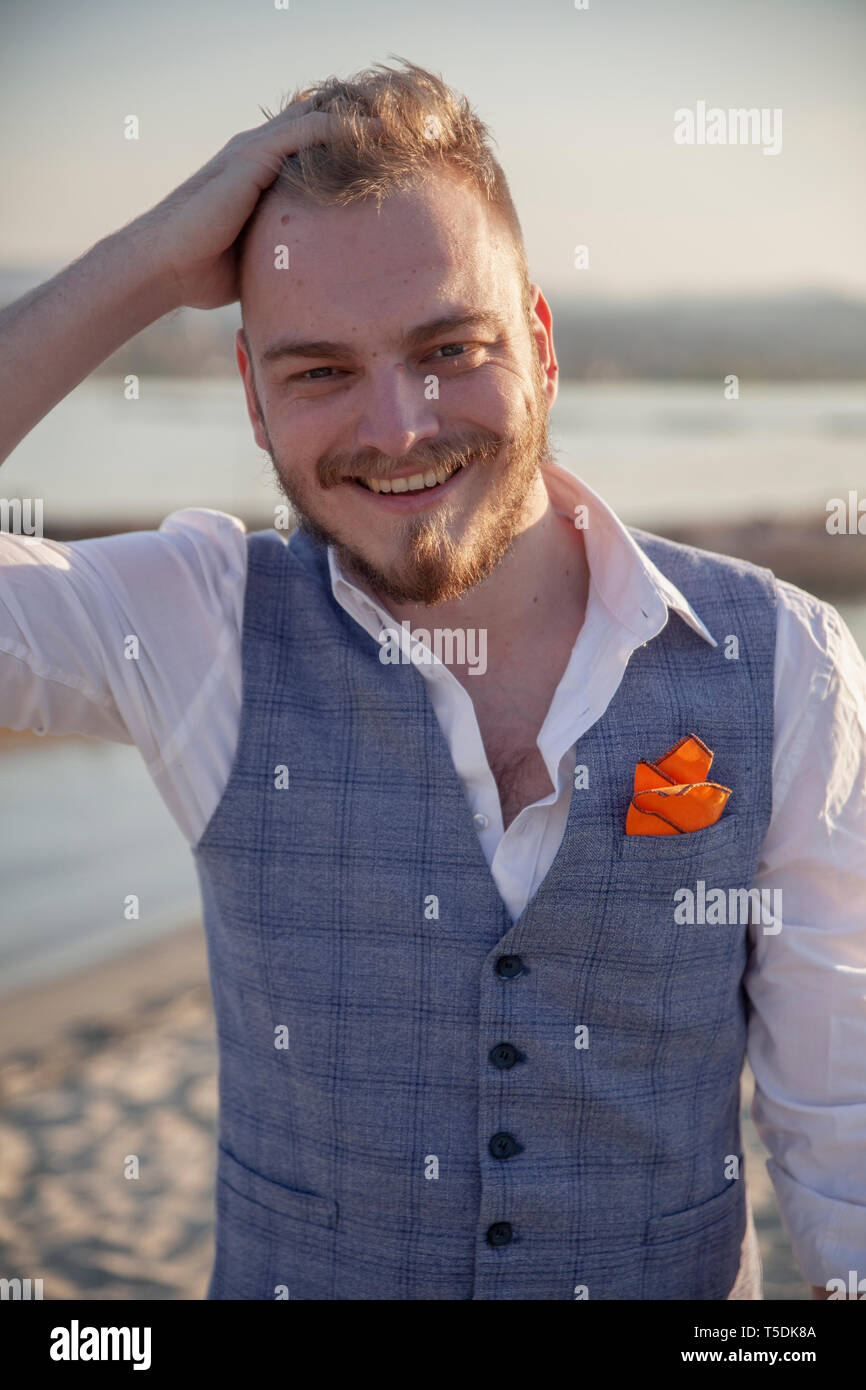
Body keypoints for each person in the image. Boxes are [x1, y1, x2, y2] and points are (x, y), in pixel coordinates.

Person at [1, 60, 864, 1301]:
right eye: (318, 371)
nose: (398, 427)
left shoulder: (778, 657)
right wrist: (141, 260)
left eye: (449, 347)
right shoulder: (196, 624)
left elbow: (840, 1146)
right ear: (249, 396)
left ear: (542, 347)